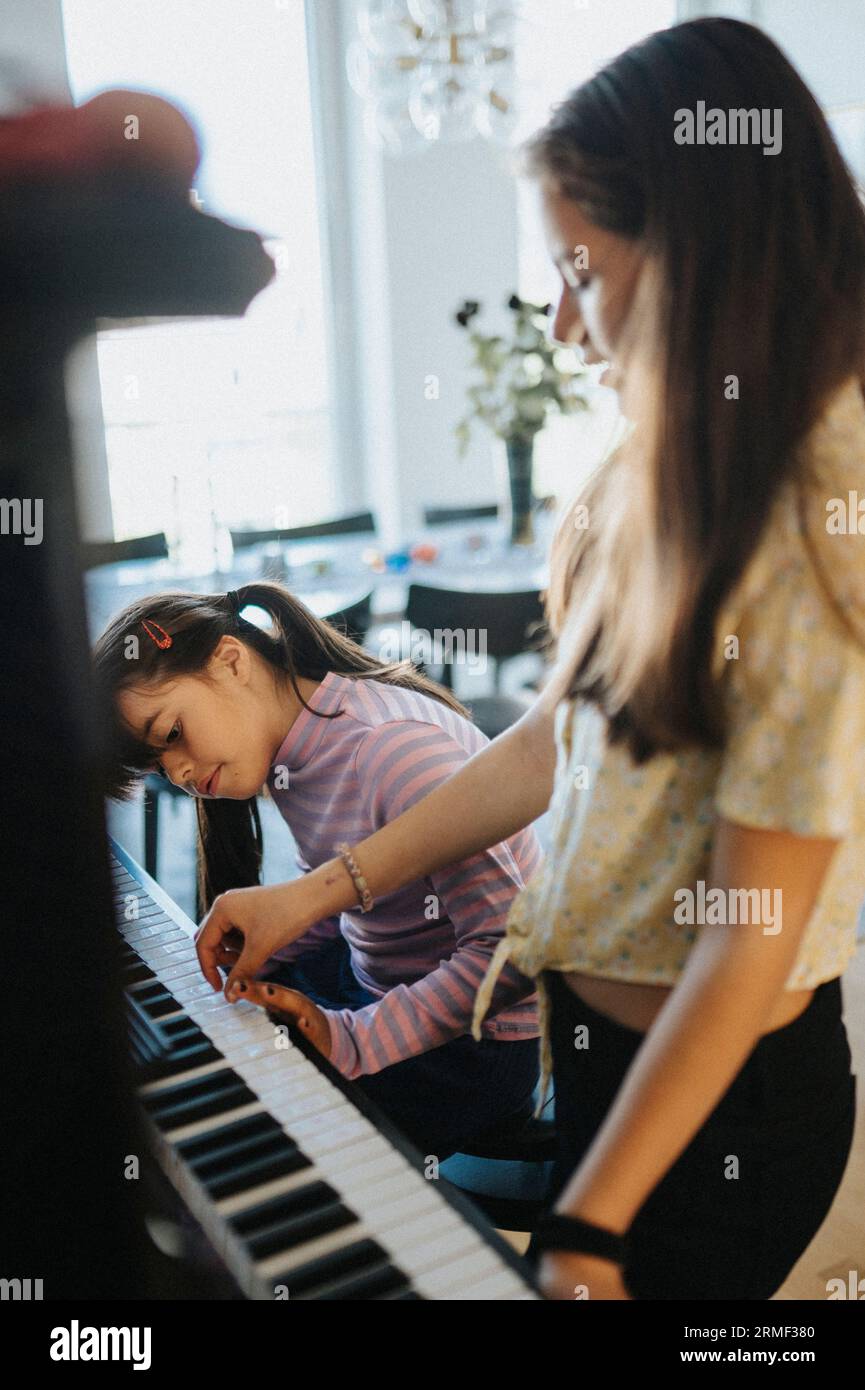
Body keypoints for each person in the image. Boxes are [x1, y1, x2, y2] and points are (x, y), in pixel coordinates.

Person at [196, 16, 865, 1300]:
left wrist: (589, 1224)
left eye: (579, 271)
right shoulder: (657, 457)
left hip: (720, 1106)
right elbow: (555, 743)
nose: (559, 325)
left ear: (698, 246)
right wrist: (316, 894)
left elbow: (754, 932)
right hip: (603, 1071)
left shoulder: (819, 502)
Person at [93, 581, 542, 1160]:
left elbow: (513, 955)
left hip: (482, 1043)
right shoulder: (294, 743)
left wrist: (350, 1039)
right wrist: (272, 940)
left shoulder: (390, 753)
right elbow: (340, 901)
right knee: (225, 1038)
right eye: (158, 764)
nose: (177, 771)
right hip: (376, 973)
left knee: (263, 1133)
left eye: (172, 735)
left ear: (232, 661)